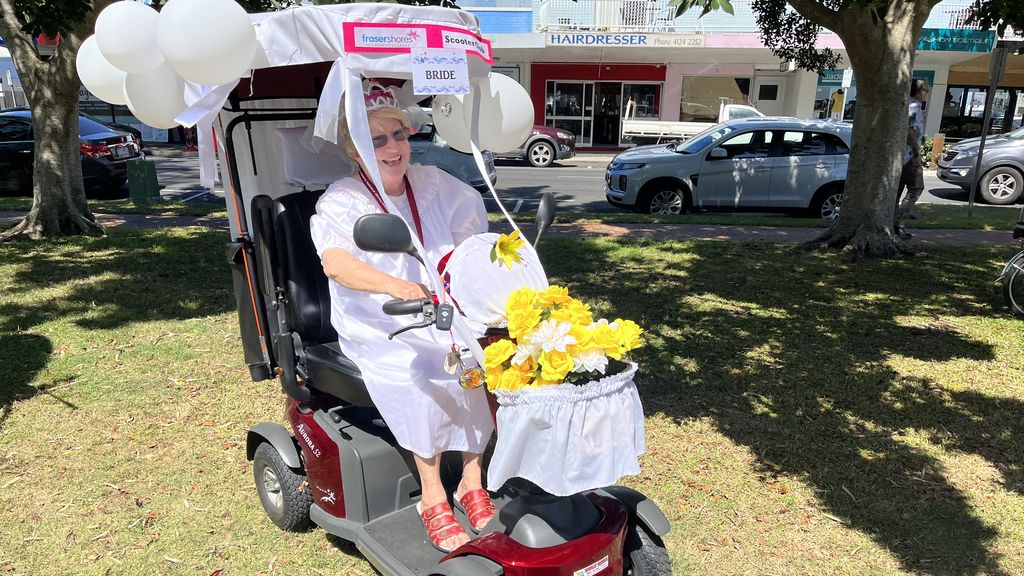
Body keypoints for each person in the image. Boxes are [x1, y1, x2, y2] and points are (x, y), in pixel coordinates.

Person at [309, 82, 496, 553]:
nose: (393, 148)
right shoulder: (343, 200)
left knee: (481, 359)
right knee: (420, 371)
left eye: (398, 134)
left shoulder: (434, 184)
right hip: (379, 317)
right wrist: (396, 285)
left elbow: (471, 238)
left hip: (442, 309)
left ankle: (471, 480)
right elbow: (337, 264)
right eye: (377, 139)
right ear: (355, 149)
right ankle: (432, 495)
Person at [895, 78, 931, 240]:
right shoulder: (915, 107)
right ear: (920, 91)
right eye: (926, 90)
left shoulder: (903, 105)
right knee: (916, 188)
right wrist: (917, 152)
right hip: (909, 156)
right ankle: (898, 221)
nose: (927, 94)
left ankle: (892, 222)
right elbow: (910, 131)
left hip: (897, 157)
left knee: (896, 190)